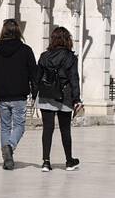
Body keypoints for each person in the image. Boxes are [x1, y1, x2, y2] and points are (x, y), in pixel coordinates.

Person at [0, 18, 38, 171]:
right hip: (19, 95)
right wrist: (35, 94)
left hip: (2, 96)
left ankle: (7, 159)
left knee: (5, 127)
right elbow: (34, 74)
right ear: (18, 31)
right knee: (20, 125)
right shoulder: (26, 50)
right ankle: (10, 147)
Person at [35, 26, 82, 172]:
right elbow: (74, 78)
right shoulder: (70, 57)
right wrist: (77, 99)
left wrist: (33, 94)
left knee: (47, 129)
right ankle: (69, 161)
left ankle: (46, 162)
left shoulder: (44, 56)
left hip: (46, 95)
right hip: (64, 96)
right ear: (67, 40)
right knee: (65, 129)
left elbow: (37, 78)